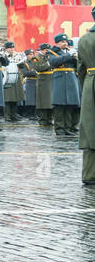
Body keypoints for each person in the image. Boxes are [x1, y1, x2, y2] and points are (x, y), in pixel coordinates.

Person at [48, 35, 81, 136]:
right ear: (57, 43)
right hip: (60, 80)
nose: (65, 43)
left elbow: (77, 66)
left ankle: (68, 127)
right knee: (59, 105)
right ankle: (59, 128)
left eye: (66, 41)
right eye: (62, 41)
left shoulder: (69, 52)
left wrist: (76, 58)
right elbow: (54, 62)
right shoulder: (52, 52)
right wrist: (69, 56)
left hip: (71, 80)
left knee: (70, 104)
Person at [77, 11, 95, 185]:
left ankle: (89, 174)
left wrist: (86, 90)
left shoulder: (83, 39)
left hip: (90, 85)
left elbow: (80, 69)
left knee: (90, 129)